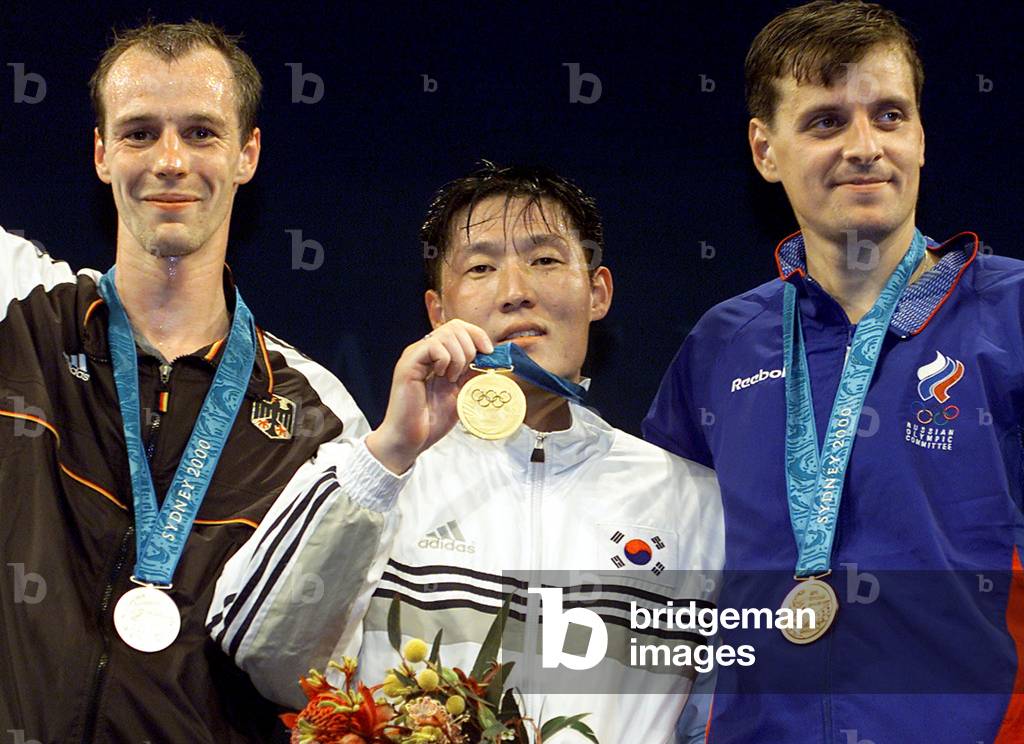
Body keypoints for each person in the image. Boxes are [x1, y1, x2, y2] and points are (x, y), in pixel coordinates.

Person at [210, 162, 725, 742]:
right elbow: (264, 654)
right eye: (481, 267)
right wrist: (389, 455)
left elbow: (720, 722)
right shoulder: (370, 475)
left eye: (545, 260)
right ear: (438, 311)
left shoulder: (692, 502)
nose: (515, 292)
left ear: (597, 292)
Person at [0, 21, 390, 743]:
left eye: (201, 133)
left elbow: (309, 674)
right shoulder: (18, 312)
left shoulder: (321, 420)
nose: (171, 160)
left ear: (247, 154)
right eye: (140, 132)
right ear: (101, 153)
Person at [643, 1, 1024, 742]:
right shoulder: (721, 345)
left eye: (889, 116)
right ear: (765, 150)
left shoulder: (1009, 315)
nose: (865, 147)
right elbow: (658, 567)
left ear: (920, 137)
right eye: (826, 122)